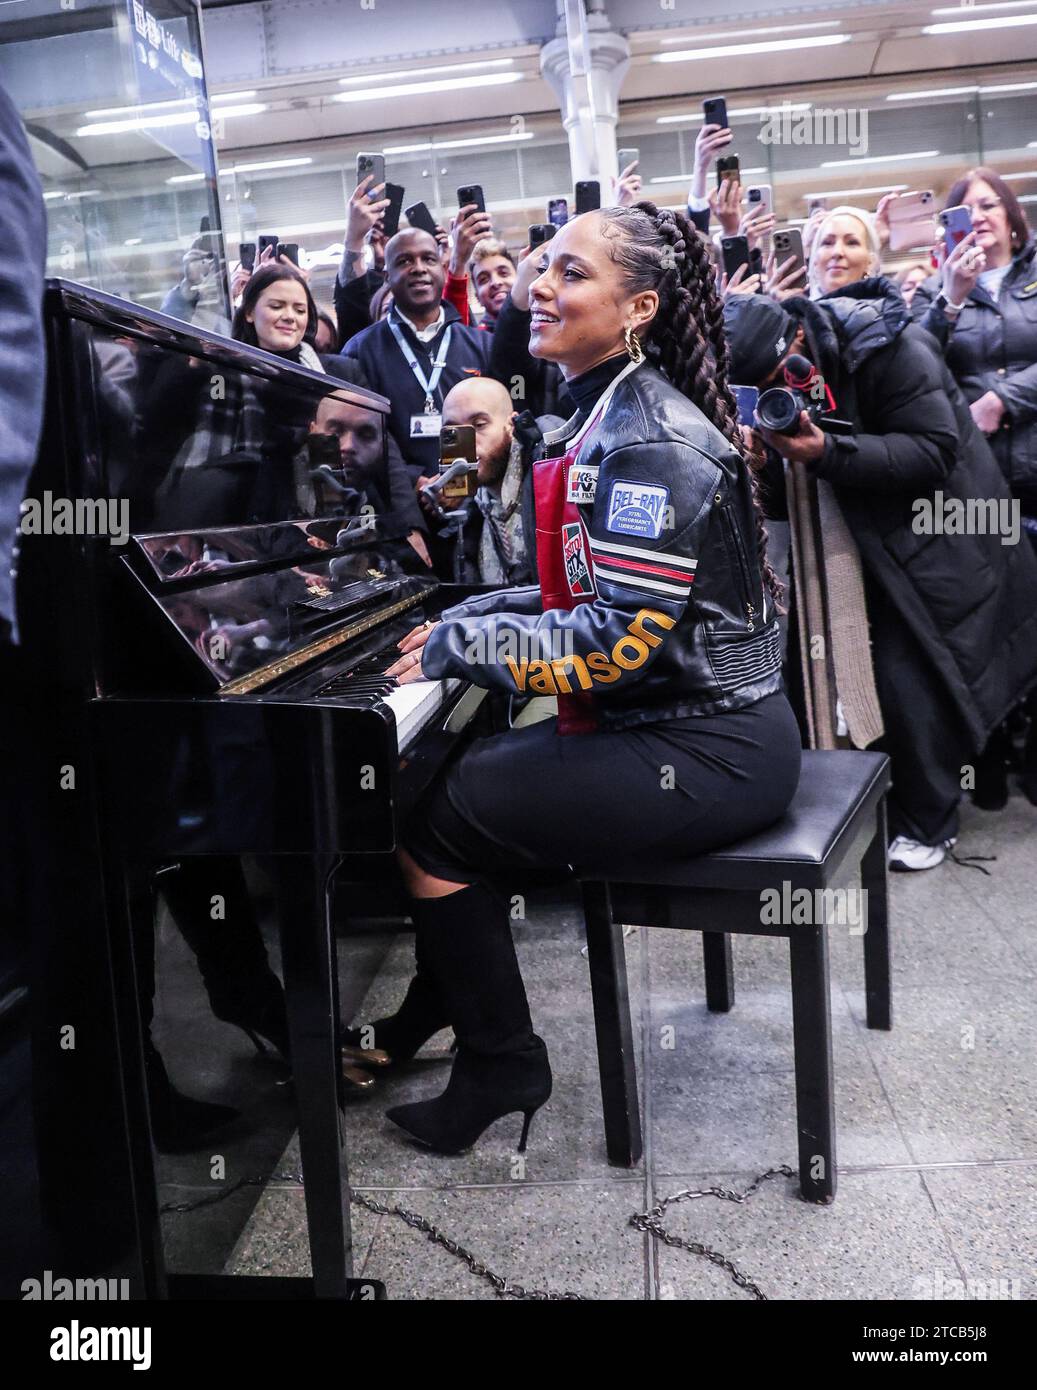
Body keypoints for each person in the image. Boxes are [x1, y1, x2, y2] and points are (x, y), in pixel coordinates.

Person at [343, 203, 802, 1155]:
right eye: (542, 267)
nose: (540, 286)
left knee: (433, 818)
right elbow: (571, 593)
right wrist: (461, 616)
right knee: (439, 789)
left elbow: (610, 647)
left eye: (571, 273)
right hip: (677, 721)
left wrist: (449, 649)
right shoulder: (604, 406)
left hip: (704, 744)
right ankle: (457, 1018)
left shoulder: (647, 440)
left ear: (637, 307)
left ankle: (500, 1062)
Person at [724, 283, 1037, 871]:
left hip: (944, 529)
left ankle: (931, 821)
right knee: (873, 671)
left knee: (913, 676)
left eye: (779, 377)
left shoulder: (890, 347)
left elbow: (933, 450)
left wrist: (824, 452)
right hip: (867, 536)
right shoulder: (789, 372)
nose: (778, 394)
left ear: (798, 335)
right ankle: (894, 801)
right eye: (758, 393)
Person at [910, 168, 1037, 805]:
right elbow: (914, 366)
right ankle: (987, 759)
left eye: (990, 204)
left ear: (1013, 216)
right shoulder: (937, 289)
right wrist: (951, 297)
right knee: (987, 623)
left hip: (1034, 468)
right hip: (974, 485)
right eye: (965, 208)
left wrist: (1002, 399)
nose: (979, 215)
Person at [232, 260, 426, 547]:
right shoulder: (227, 378)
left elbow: (383, 448)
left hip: (347, 523)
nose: (289, 317)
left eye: (299, 309)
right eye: (277, 306)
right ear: (249, 312)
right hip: (258, 532)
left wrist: (409, 527)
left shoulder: (342, 373)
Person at [339, 227, 490, 490]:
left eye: (428, 259)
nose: (419, 268)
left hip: (477, 506)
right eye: (404, 261)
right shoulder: (360, 351)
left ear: (442, 269)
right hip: (399, 510)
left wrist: (466, 485)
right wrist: (412, 479)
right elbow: (356, 438)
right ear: (387, 275)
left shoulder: (482, 345)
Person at [432, 375, 554, 584]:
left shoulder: (549, 482)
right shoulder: (474, 513)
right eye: (453, 433)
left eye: (479, 425)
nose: (467, 444)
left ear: (511, 424)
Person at [466, 238, 516, 329]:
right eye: (484, 279)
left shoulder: (544, 324)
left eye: (503, 273)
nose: (495, 282)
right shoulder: (477, 341)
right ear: (477, 297)